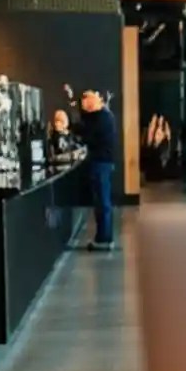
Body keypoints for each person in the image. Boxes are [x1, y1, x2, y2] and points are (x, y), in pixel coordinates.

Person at [66, 86, 118, 251]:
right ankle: (103, 237)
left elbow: (86, 133)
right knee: (102, 202)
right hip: (103, 163)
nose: (85, 102)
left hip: (101, 163)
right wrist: (72, 101)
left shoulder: (102, 118)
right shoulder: (103, 116)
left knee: (102, 203)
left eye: (88, 98)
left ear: (98, 99)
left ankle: (104, 239)